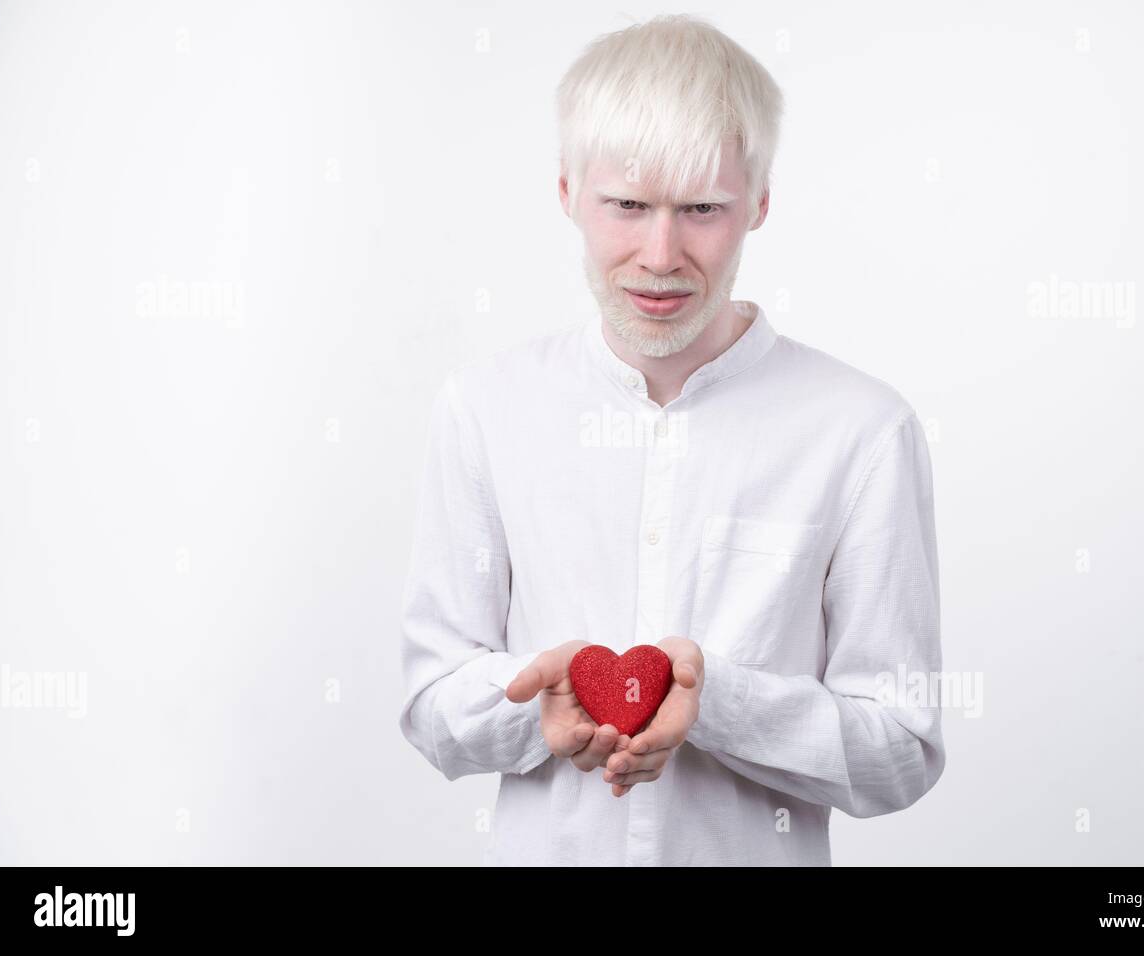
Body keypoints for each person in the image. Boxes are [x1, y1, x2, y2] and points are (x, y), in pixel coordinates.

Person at [398, 13, 944, 866]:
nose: (660, 254)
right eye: (626, 205)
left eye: (702, 209)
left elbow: (900, 752)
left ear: (759, 203)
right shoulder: (485, 409)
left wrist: (719, 701)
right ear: (568, 194)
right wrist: (536, 708)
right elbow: (430, 702)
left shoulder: (862, 431)